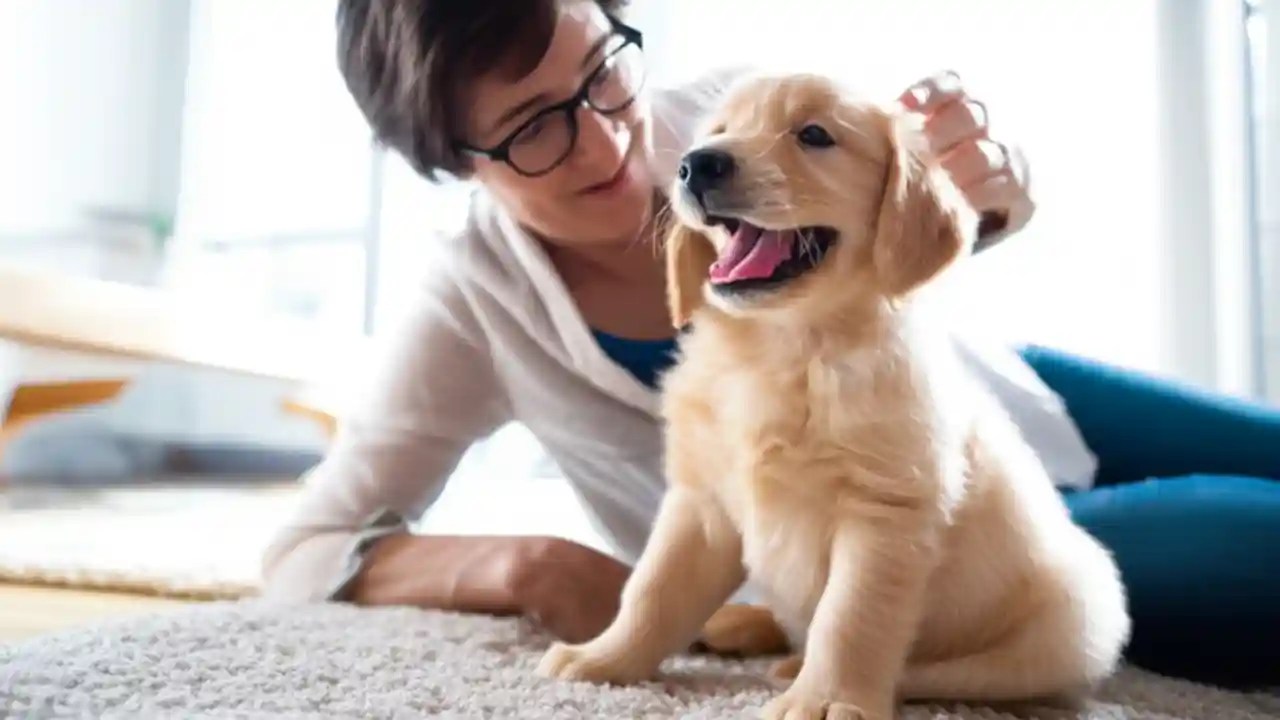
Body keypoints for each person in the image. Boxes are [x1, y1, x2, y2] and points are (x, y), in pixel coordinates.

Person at [262, 0, 1280, 690]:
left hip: (1009, 399)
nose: (610, 139)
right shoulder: (473, 306)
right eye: (534, 128)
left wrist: (991, 188)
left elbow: (919, 213)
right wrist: (520, 563)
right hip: (981, 550)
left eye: (600, 69)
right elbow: (301, 551)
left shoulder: (732, 111)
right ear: (452, 162)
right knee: (1255, 544)